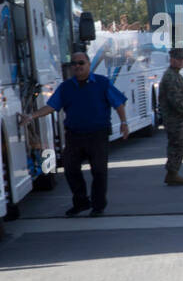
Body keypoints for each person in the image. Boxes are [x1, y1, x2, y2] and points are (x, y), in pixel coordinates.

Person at [18, 48, 129, 217]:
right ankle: (81, 202)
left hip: (97, 134)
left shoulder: (102, 83)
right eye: (74, 64)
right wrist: (32, 116)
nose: (77, 66)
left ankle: (98, 205)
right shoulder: (66, 87)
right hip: (74, 135)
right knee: (70, 169)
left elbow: (118, 103)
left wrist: (124, 123)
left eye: (81, 63)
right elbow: (52, 106)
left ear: (88, 65)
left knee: (99, 171)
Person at [158, 47, 183, 185]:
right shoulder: (171, 77)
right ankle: (172, 173)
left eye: (182, 59)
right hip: (174, 118)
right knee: (178, 145)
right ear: (172, 60)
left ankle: (173, 172)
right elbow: (175, 99)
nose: (181, 62)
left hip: (176, 117)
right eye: (178, 59)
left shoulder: (176, 75)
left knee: (178, 144)